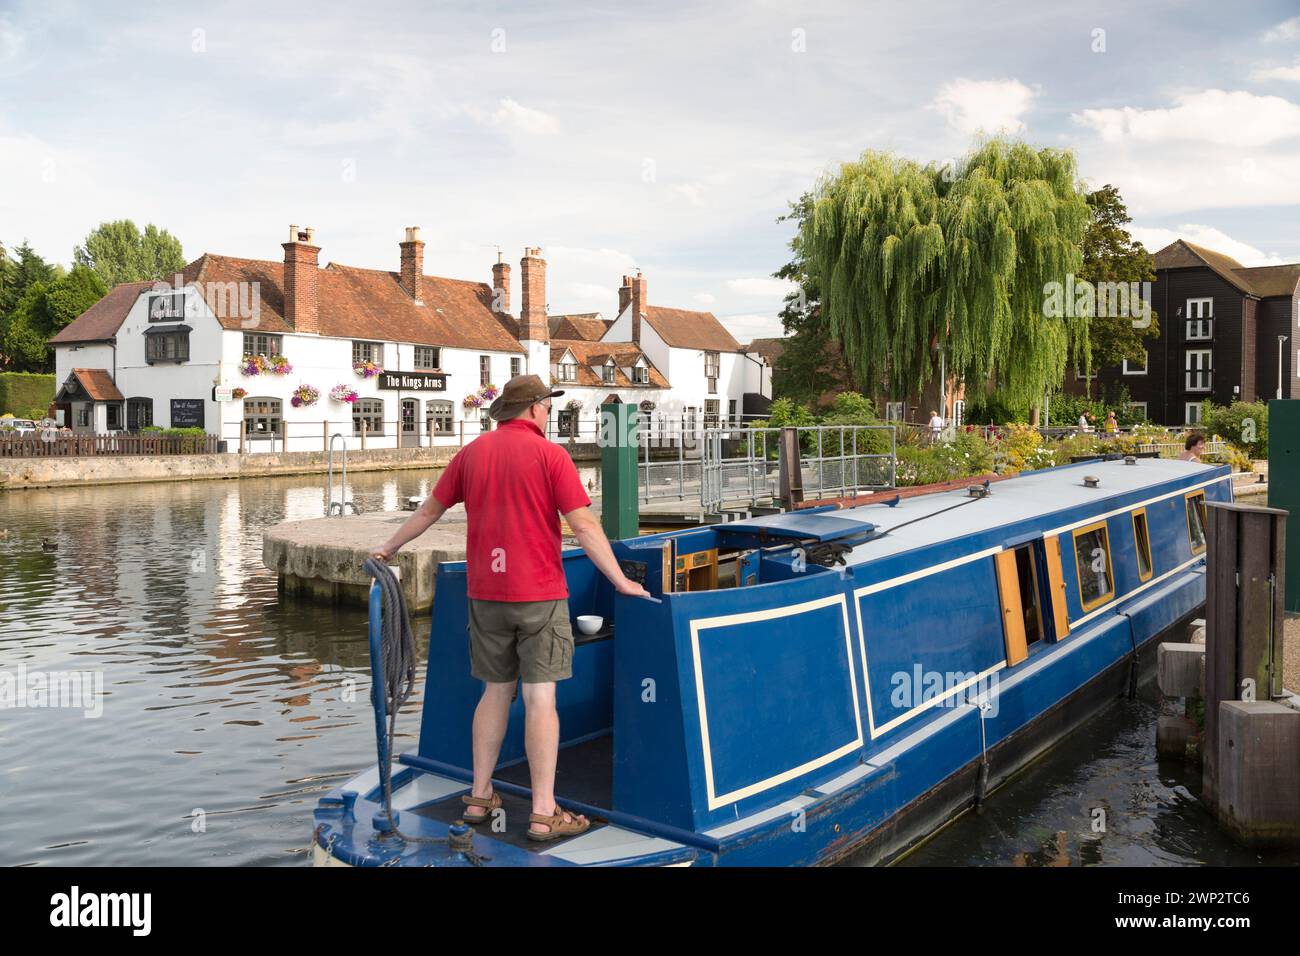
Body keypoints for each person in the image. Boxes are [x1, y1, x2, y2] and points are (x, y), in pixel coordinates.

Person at [370, 374, 649, 841]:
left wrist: (387, 548)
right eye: (547, 407)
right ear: (537, 409)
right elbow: (583, 526)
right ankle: (543, 812)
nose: (548, 414)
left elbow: (426, 513)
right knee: (541, 698)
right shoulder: (550, 456)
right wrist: (620, 581)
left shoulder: (472, 453)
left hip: (485, 595)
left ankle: (479, 795)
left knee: (494, 692)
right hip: (539, 594)